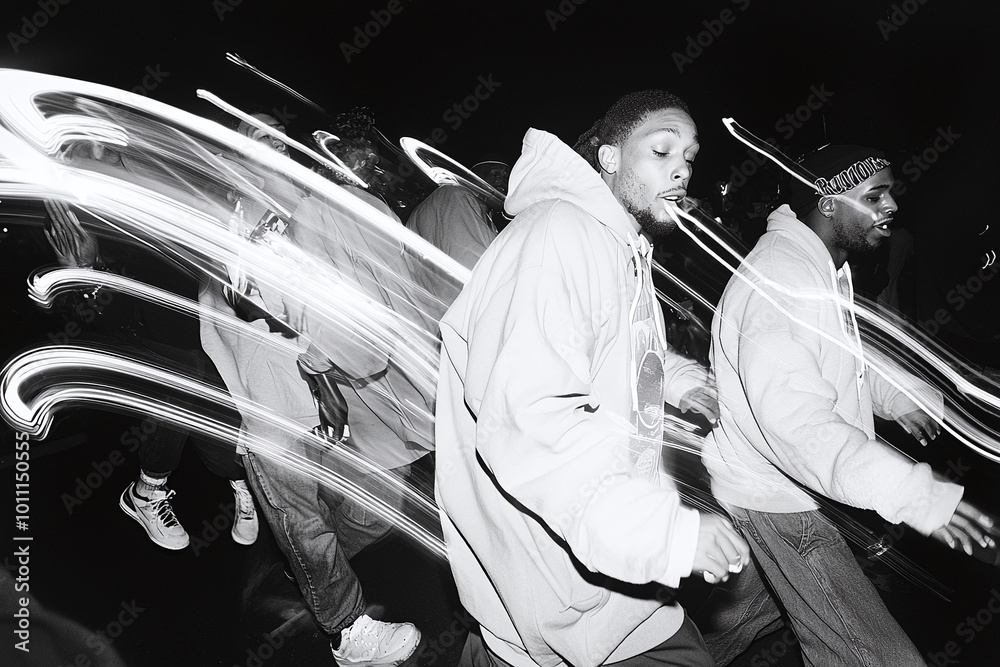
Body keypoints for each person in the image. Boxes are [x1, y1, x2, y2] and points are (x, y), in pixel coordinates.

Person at [434, 90, 750, 667]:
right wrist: (662, 532)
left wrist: (679, 379)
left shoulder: (615, 241)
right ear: (608, 157)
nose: (681, 169)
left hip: (594, 585)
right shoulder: (561, 234)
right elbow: (531, 413)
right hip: (567, 586)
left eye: (690, 157)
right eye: (661, 150)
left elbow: (612, 344)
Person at [698, 145, 996, 666]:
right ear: (829, 202)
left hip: (786, 484)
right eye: (874, 195)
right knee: (878, 658)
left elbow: (839, 352)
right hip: (782, 499)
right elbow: (798, 423)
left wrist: (900, 396)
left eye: (891, 193)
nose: (892, 207)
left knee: (734, 624)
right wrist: (913, 494)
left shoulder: (823, 265)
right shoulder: (783, 278)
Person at [200, 126, 428, 665]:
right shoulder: (221, 219)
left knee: (377, 508)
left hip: (336, 397)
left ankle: (306, 572)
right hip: (272, 402)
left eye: (281, 137)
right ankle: (347, 630)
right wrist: (240, 401)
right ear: (234, 151)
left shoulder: (310, 205)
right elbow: (213, 315)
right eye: (256, 134)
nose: (275, 144)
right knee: (302, 519)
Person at [43, 143, 257, 552]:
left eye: (104, 143)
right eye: (86, 146)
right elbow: (90, 315)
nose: (99, 150)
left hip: (205, 322)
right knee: (183, 382)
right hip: (143, 337)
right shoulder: (75, 212)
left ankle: (237, 480)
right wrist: (89, 272)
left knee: (220, 425)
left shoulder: (156, 180)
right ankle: (147, 491)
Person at [405, 161, 511, 271]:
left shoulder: (471, 206)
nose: (502, 181)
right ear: (472, 176)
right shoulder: (456, 196)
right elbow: (472, 263)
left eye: (507, 177)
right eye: (494, 173)